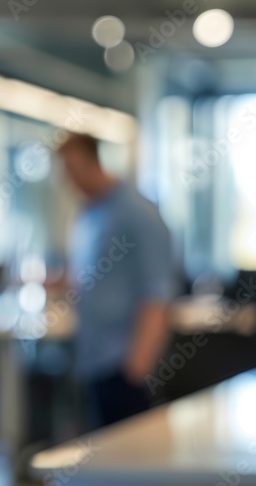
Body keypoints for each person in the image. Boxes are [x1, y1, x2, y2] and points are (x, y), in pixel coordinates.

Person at [56, 133, 174, 428]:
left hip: (125, 362)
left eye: (70, 170)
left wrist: (138, 366)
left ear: (89, 161)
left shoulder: (136, 212)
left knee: (130, 460)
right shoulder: (90, 214)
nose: (67, 180)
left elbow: (158, 293)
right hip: (93, 357)